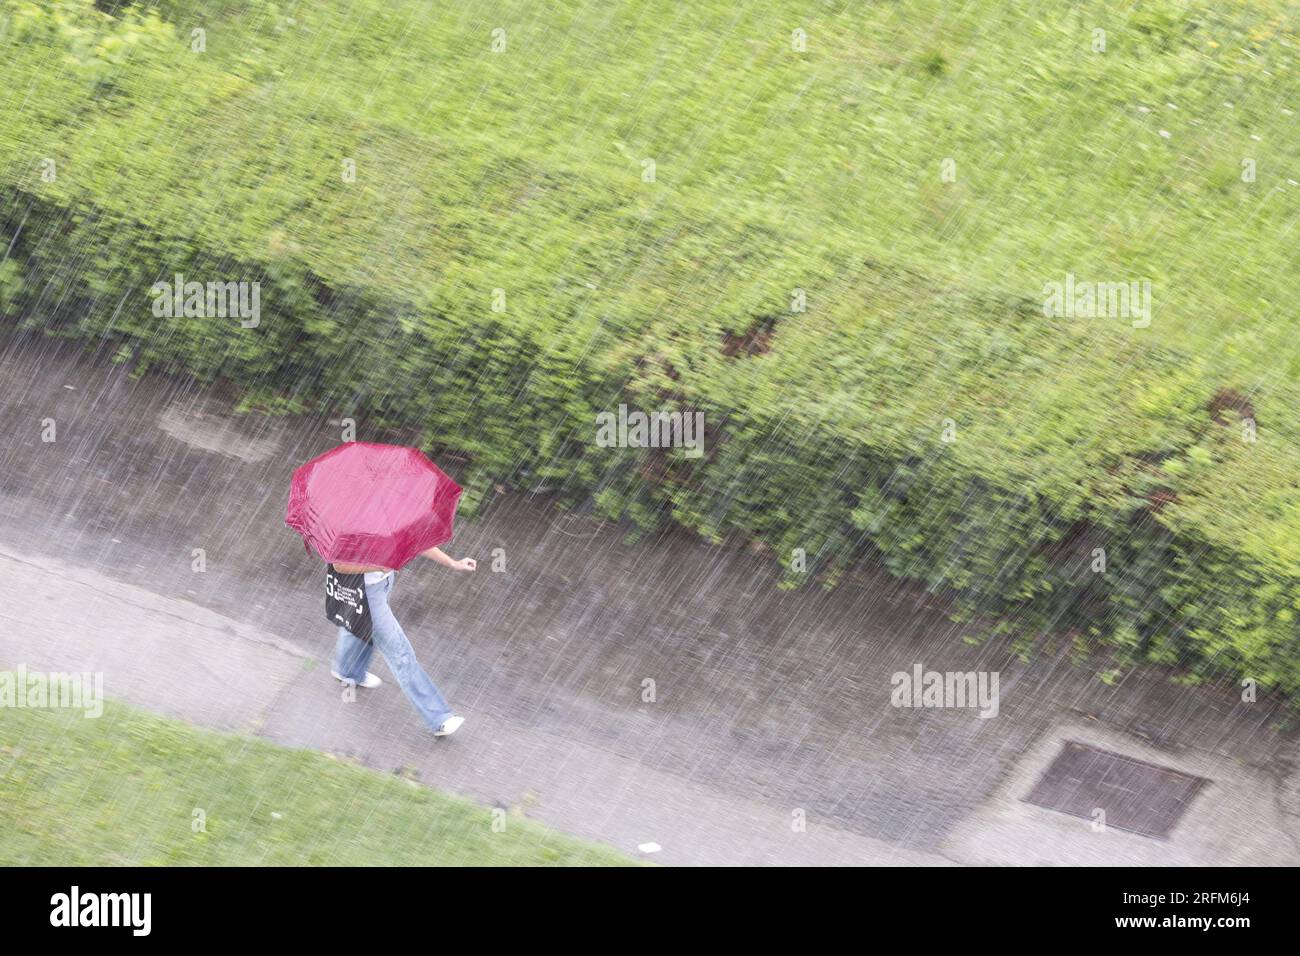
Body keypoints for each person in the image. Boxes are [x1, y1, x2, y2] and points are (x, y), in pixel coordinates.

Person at [330, 546, 476, 737]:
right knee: (401, 654)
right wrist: (376, 567)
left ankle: (347, 671)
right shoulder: (349, 525)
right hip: (365, 592)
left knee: (359, 626)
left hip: (384, 582)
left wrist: (452, 562)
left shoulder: (388, 516)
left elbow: (416, 540)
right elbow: (339, 565)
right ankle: (439, 718)